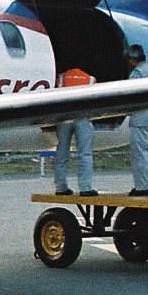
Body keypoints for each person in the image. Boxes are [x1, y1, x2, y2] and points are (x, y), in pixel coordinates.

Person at [52, 66, 97, 197]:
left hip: (65, 117)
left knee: (62, 152)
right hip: (82, 117)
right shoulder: (90, 79)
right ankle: (85, 188)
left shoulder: (61, 78)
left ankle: (61, 187)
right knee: (85, 154)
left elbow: (56, 97)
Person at [125, 44, 148, 196]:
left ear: (133, 59)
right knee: (145, 153)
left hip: (142, 120)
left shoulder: (138, 73)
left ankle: (143, 187)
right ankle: (145, 184)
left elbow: (130, 95)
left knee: (139, 154)